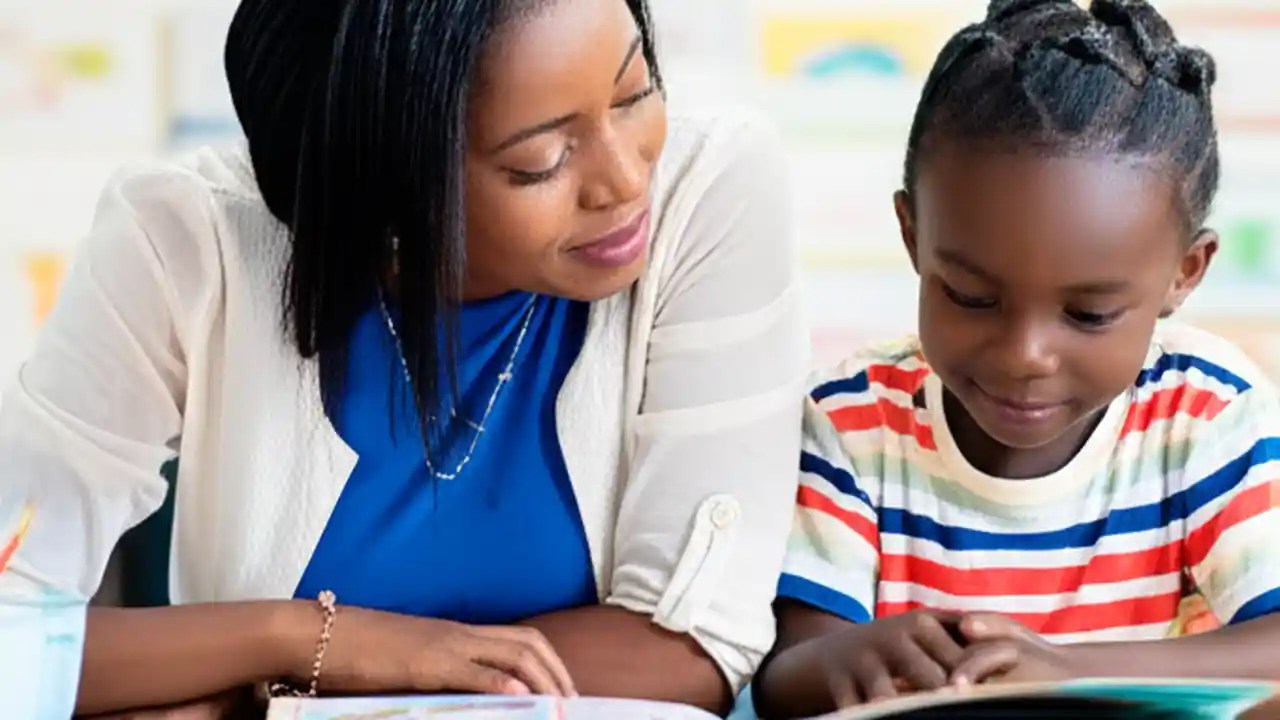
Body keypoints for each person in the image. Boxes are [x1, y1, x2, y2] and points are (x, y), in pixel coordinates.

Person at [0, 0, 807, 716]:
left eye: (635, 94)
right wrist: (303, 637)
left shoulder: (707, 193)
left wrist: (275, 692)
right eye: (540, 163)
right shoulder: (183, 241)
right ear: (387, 193)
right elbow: (11, 623)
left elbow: (693, 645)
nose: (626, 179)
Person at [753, 1, 1280, 717]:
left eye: (1088, 315)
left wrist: (1066, 670)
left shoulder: (1207, 416)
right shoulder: (852, 421)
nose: (1025, 355)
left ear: (1184, 273)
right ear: (913, 236)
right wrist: (844, 656)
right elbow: (784, 676)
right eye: (971, 296)